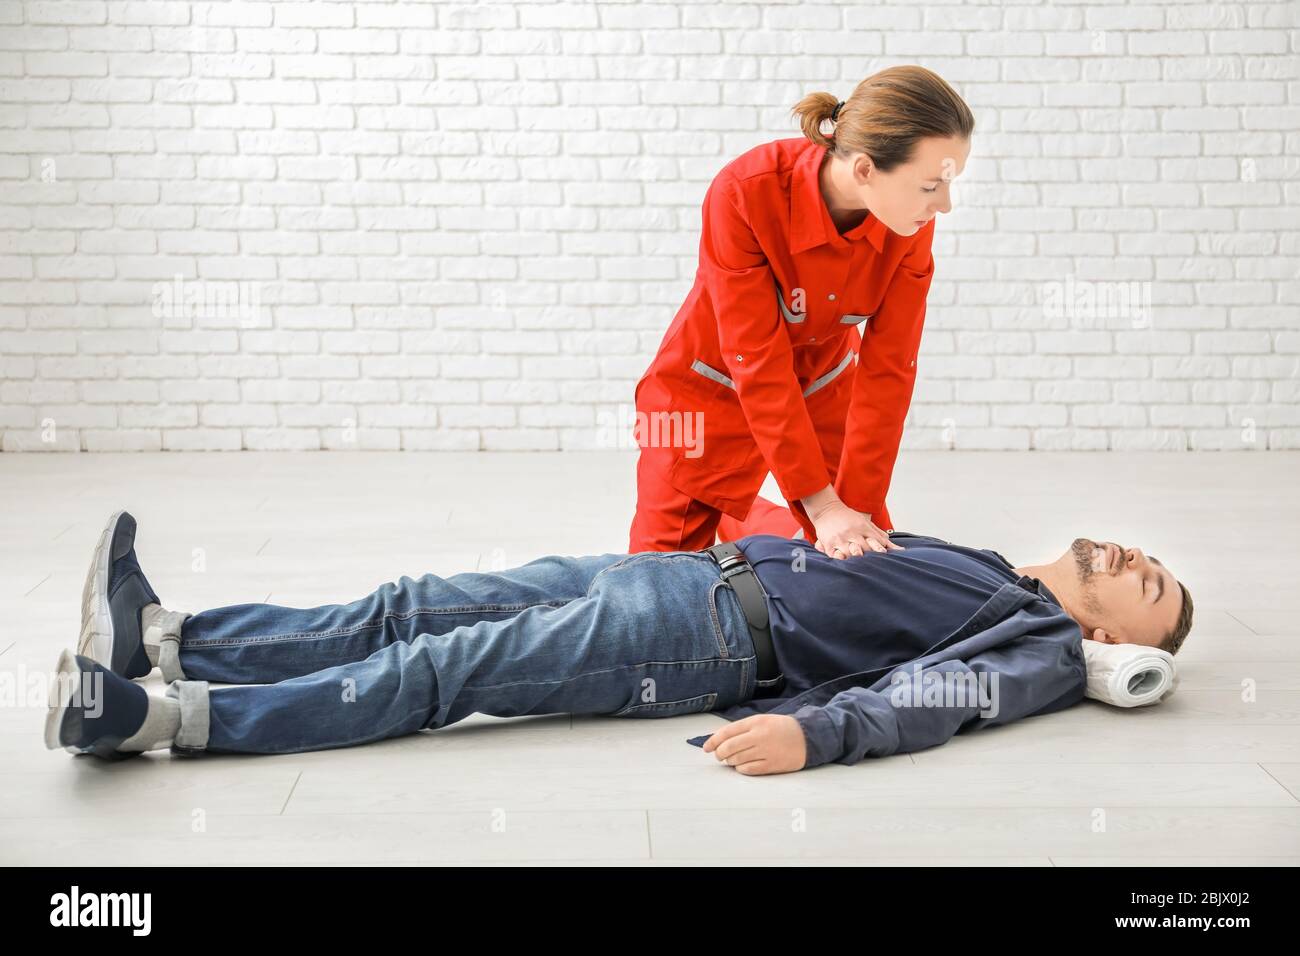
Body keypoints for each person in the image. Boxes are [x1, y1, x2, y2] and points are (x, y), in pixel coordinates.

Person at [46, 509, 1193, 775]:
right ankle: (167, 634)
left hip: (702, 637)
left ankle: (153, 719)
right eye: (1148, 557)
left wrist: (816, 735)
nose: (1140, 560)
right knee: (417, 602)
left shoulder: (1040, 641)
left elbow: (940, 695)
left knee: (444, 671)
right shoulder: (995, 568)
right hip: (686, 573)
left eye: (1152, 588)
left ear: (1110, 634)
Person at [629, 65, 974, 560]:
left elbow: (890, 368)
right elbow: (756, 356)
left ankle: (740, 513)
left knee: (868, 560)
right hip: (703, 392)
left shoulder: (907, 221)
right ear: (864, 170)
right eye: (929, 186)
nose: (944, 204)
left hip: (823, 385)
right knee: (651, 582)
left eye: (948, 182)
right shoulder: (743, 191)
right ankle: (729, 507)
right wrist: (819, 502)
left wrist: (851, 507)